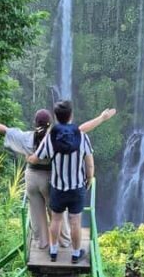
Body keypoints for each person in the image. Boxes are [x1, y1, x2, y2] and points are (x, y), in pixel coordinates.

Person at [0, 107, 114, 249]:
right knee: (57, 212)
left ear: (35, 123)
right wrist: (102, 118)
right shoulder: (56, 137)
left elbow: (5, 130)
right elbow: (81, 129)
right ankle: (64, 240)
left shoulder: (26, 137)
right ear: (50, 123)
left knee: (36, 211)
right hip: (51, 179)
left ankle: (42, 242)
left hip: (32, 178)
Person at [27, 99, 94, 264]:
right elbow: (89, 163)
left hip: (57, 187)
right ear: (71, 115)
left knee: (56, 219)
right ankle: (76, 254)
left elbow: (36, 158)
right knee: (75, 221)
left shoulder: (50, 138)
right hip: (77, 187)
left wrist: (28, 157)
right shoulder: (82, 136)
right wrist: (89, 178)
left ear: (56, 117)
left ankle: (54, 251)